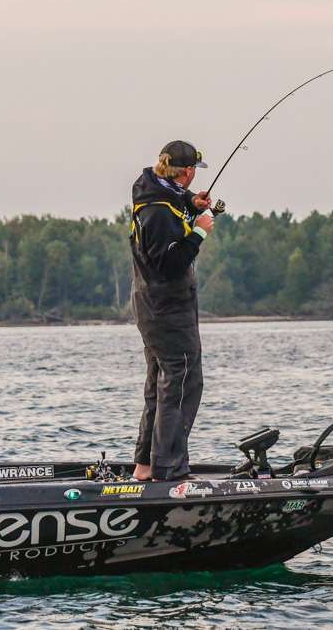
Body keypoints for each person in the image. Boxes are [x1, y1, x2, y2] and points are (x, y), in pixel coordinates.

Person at [129, 140, 214, 481]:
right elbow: (170, 262)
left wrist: (191, 204)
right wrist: (198, 232)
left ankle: (147, 466)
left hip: (154, 306)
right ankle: (169, 469)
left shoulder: (154, 196)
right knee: (182, 381)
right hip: (167, 308)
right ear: (189, 171)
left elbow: (169, 201)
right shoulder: (160, 211)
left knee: (159, 384)